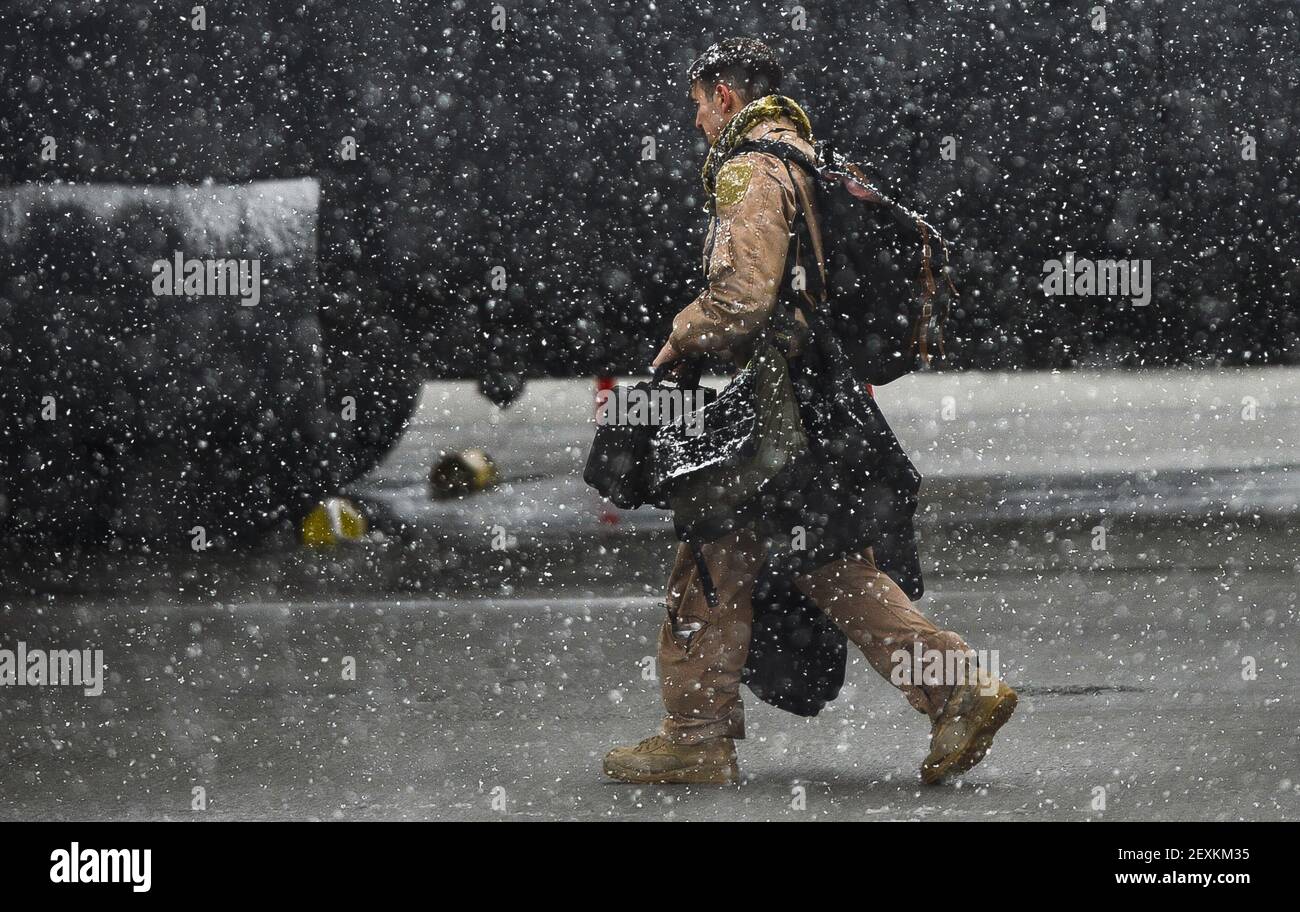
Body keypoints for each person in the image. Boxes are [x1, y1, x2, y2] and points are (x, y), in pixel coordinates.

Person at [602, 37, 1018, 786]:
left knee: (714, 555)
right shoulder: (807, 158)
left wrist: (677, 335)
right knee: (822, 561)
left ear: (723, 96)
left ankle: (696, 737)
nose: (695, 119)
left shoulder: (750, 168)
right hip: (811, 395)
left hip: (762, 407)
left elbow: (741, 298)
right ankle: (956, 687)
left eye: (698, 102)